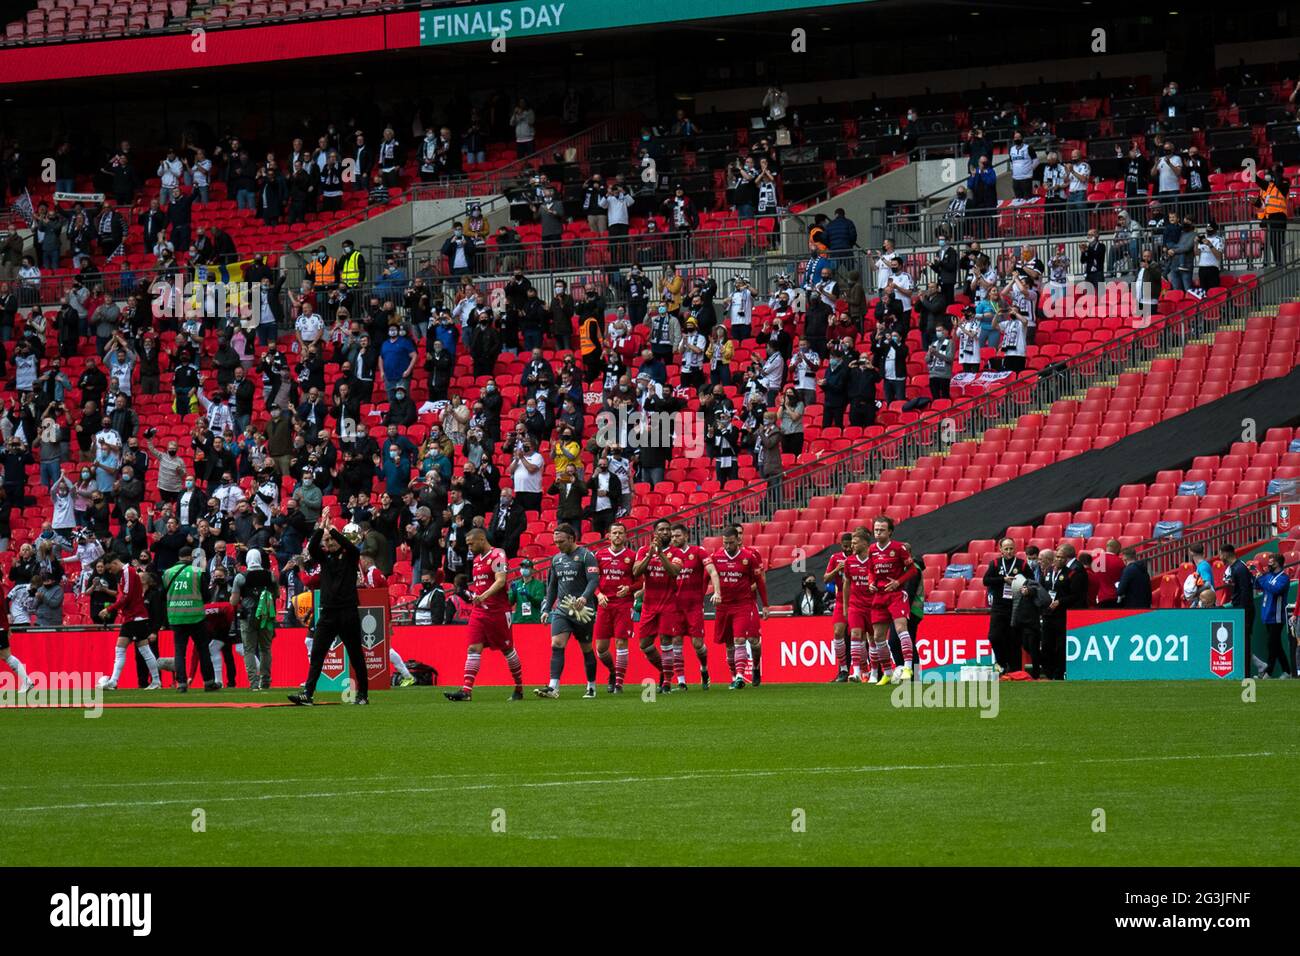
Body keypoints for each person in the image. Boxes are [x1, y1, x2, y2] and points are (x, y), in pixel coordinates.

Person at [289, 507, 368, 706]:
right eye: (327, 541)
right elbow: (313, 548)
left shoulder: (350, 556)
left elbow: (350, 547)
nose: (329, 543)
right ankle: (307, 693)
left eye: (331, 540)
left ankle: (363, 695)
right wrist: (320, 529)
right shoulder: (324, 558)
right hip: (328, 613)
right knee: (317, 654)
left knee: (355, 654)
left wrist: (332, 530)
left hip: (348, 611)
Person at [445, 528, 525, 701]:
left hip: (498, 611)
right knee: (473, 648)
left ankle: (519, 687)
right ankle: (466, 691)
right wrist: (476, 596)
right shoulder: (476, 560)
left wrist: (484, 596)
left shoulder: (498, 554)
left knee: (507, 649)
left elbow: (501, 580)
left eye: (471, 544)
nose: (469, 548)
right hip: (480, 611)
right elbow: (482, 585)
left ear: (482, 539)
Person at [532, 524, 601, 700]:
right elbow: (552, 587)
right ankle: (553, 687)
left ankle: (591, 686)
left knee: (586, 648)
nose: (558, 545)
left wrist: (585, 598)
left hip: (583, 610)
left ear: (571, 538)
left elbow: (593, 581)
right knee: (556, 644)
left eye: (561, 541)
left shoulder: (587, 556)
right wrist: (547, 609)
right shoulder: (556, 560)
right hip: (563, 609)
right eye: (555, 542)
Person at [705, 524, 769, 690]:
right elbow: (706, 577)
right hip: (724, 606)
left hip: (744, 604)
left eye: (731, 542)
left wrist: (766, 605)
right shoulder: (717, 557)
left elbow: (760, 581)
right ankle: (734, 676)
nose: (727, 546)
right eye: (725, 543)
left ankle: (743, 674)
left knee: (743, 639)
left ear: (738, 539)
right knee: (729, 644)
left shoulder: (750, 556)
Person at [95, 554, 161, 690]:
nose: (110, 571)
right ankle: (155, 681)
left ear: (114, 563)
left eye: (109, 568)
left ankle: (115, 681)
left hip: (134, 617)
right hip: (134, 617)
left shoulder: (128, 572)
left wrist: (109, 609)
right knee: (142, 650)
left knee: (125, 649)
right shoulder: (126, 573)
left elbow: (127, 596)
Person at [632, 519, 680, 693]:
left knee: (666, 641)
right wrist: (650, 555)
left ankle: (667, 682)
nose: (666, 532)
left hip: (669, 604)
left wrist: (660, 555)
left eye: (668, 529)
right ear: (655, 533)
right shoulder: (644, 550)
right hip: (649, 605)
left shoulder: (676, 552)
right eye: (662, 530)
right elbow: (636, 572)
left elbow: (674, 572)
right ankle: (664, 670)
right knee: (644, 644)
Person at [665, 523, 712, 692]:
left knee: (697, 644)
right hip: (675, 605)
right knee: (676, 641)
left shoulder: (698, 552)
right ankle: (682, 681)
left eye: (677, 535)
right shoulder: (668, 555)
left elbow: (711, 571)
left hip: (694, 605)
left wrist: (716, 590)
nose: (674, 538)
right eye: (672, 536)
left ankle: (704, 668)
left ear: (686, 536)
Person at [162, 548, 216, 692]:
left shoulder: (167, 573)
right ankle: (209, 682)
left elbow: (162, 596)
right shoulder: (197, 572)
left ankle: (181, 684)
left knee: (180, 652)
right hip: (196, 617)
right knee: (203, 650)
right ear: (190, 557)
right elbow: (207, 596)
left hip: (176, 617)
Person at [231, 547, 279, 691]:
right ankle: (265, 681)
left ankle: (253, 683)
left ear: (247, 560)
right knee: (266, 649)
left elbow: (233, 602)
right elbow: (276, 594)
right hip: (266, 616)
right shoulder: (270, 575)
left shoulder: (241, 577)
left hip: (248, 617)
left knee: (249, 650)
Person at [983, 538, 1031, 674]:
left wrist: (1026, 589)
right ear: (1001, 550)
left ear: (1015, 549)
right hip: (999, 607)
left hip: (1016, 607)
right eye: (1006, 549)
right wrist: (1002, 579)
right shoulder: (995, 564)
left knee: (1014, 640)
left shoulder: (1022, 565)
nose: (1009, 551)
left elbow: (1032, 582)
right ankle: (1002, 662)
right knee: (994, 636)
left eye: (1011, 548)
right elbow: (986, 581)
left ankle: (1015, 671)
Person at [1254, 553, 1292, 679]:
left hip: (1277, 616)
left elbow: (1275, 589)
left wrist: (1262, 580)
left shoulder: (1284, 578)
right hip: (1267, 614)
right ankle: (1287, 671)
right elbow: (1258, 586)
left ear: (1277, 563)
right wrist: (1258, 577)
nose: (1269, 564)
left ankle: (1268, 672)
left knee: (1272, 644)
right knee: (1276, 645)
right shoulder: (1268, 575)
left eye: (1271, 562)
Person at [1220, 543, 1256, 668]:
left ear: (1225, 554)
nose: (1220, 557)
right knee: (1240, 641)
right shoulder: (1236, 567)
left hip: (1243, 611)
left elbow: (1245, 591)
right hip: (1240, 609)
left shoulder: (1239, 569)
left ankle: (1245, 671)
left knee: (1244, 642)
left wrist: (1242, 611)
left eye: (1220, 554)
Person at [508, 557, 545, 623]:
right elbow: (510, 603)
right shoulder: (516, 584)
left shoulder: (539, 584)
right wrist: (513, 593)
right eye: (522, 567)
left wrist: (528, 596)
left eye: (527, 567)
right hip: (519, 620)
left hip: (533, 620)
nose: (524, 569)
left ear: (532, 570)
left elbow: (538, 602)